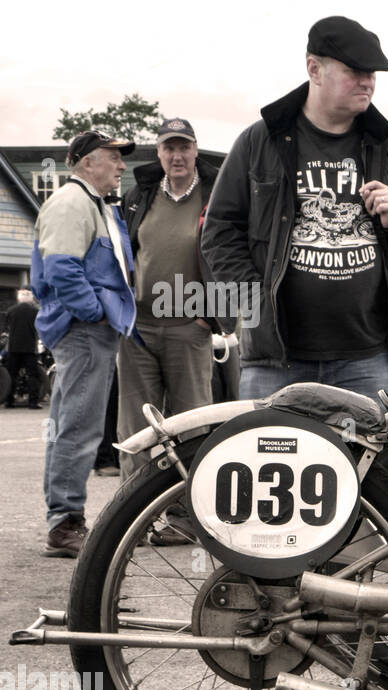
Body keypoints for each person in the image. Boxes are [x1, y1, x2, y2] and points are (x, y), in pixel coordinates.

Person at [201, 16, 388, 402]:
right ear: (314, 68)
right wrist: (256, 300)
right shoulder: (259, 142)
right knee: (266, 457)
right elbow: (218, 233)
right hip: (275, 359)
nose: (368, 81)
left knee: (372, 464)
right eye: (355, 71)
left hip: (368, 356)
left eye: (373, 73)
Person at [30, 130, 137, 557]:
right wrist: (94, 312)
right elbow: (62, 270)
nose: (121, 166)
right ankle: (66, 523)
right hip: (84, 330)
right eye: (113, 157)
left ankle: (63, 517)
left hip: (84, 329)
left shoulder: (86, 203)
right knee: (79, 427)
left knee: (68, 426)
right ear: (88, 162)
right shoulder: (74, 203)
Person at [118, 118, 224, 478]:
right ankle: (135, 519)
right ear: (159, 153)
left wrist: (210, 318)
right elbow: (122, 253)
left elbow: (233, 254)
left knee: (192, 427)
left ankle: (185, 516)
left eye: (184, 147)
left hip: (189, 328)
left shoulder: (216, 194)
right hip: (139, 330)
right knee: (136, 430)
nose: (177, 156)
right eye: (169, 148)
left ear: (195, 151)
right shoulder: (138, 196)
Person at [3, 287, 42, 408]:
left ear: (19, 298)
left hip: (13, 347)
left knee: (11, 375)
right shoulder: (35, 311)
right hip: (29, 347)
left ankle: (9, 401)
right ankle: (33, 403)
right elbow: (39, 328)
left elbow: (5, 328)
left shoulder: (10, 310)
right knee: (32, 375)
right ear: (30, 298)